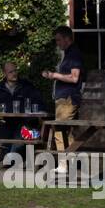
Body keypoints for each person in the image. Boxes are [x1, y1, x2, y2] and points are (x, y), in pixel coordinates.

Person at [41, 26, 84, 171]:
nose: (57, 43)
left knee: (59, 129)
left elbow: (74, 78)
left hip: (68, 98)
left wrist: (54, 75)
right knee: (68, 132)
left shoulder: (73, 54)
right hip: (64, 98)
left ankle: (63, 164)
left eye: (59, 40)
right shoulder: (68, 53)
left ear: (67, 38)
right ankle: (69, 163)